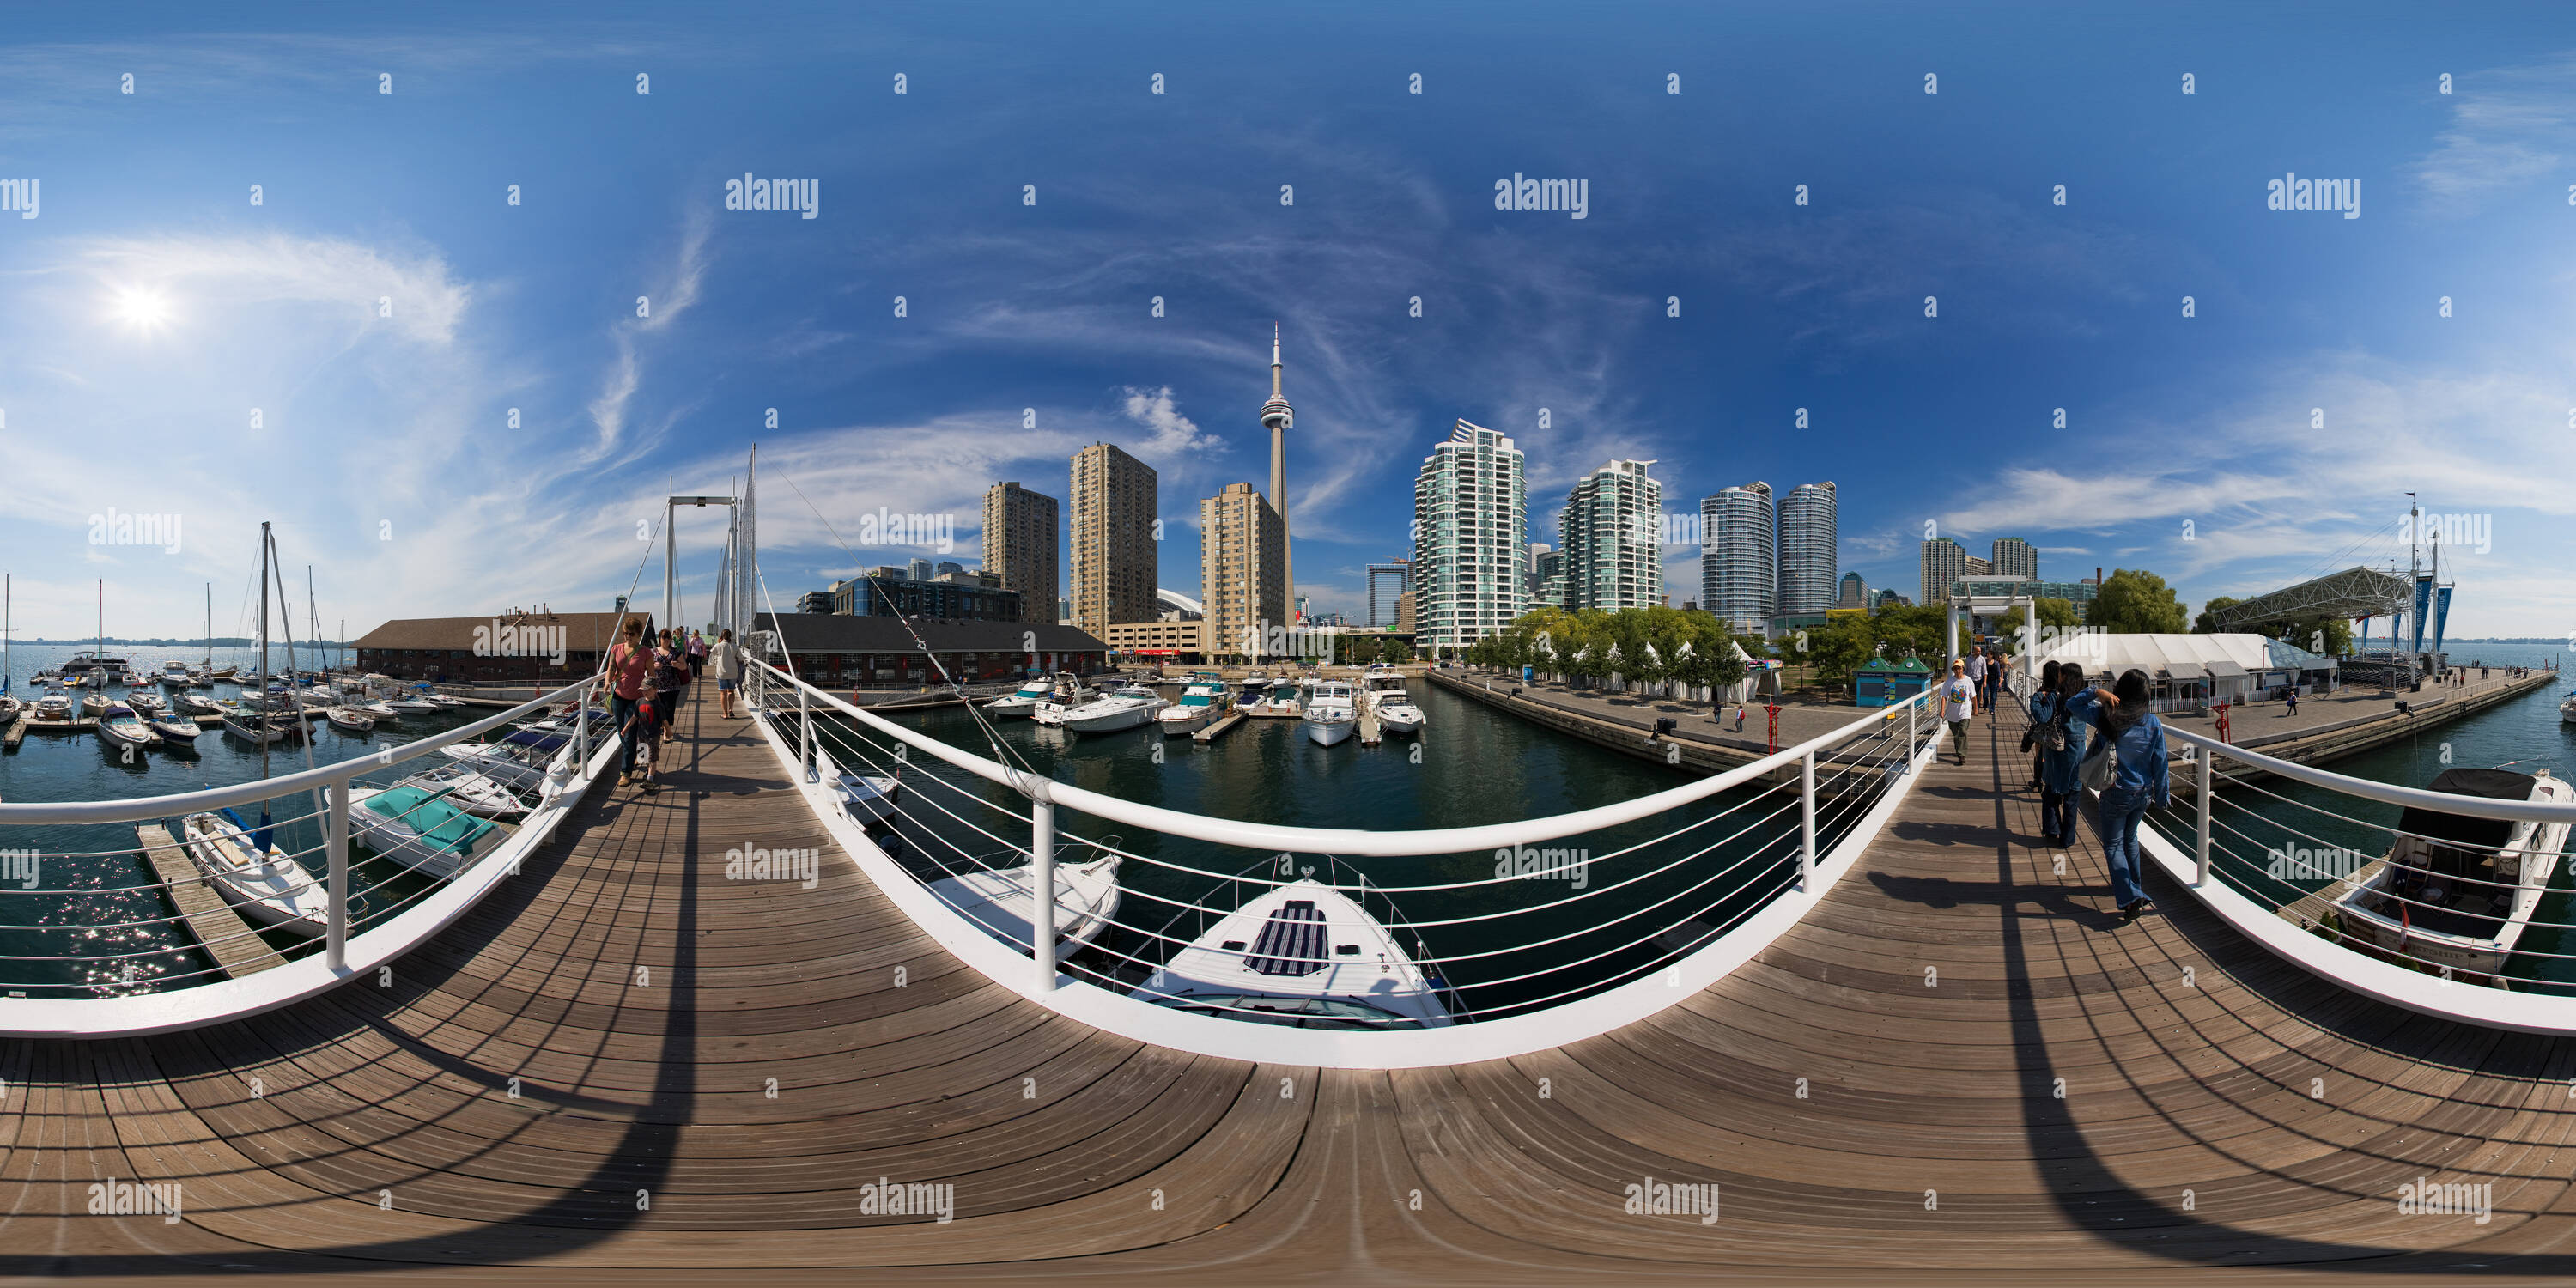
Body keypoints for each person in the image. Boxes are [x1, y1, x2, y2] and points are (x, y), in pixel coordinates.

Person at [2066, 668, 2171, 923]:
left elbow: (2071, 704)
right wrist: (2163, 796)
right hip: (2143, 793)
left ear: (2120, 691)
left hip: (2116, 792)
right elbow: (2161, 763)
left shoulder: (2106, 715)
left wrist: (2097, 692)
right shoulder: (2153, 722)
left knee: (2113, 845)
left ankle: (2131, 896)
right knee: (2130, 839)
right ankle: (2133, 887)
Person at [2033, 666, 2089, 848]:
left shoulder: (2055, 696)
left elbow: (2042, 717)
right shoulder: (2083, 698)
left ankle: (2052, 829)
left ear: (2064, 677)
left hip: (2058, 750)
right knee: (2072, 797)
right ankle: (2067, 839)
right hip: (2077, 751)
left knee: (2050, 793)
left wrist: (2036, 698)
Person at [605, 617, 652, 785]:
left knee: (630, 733)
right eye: (625, 633)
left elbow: (651, 676)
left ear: (639, 635)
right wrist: (606, 682)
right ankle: (634, 757)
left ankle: (626, 772)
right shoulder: (616, 649)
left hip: (636, 699)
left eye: (631, 634)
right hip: (618, 697)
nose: (627, 637)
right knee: (621, 731)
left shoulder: (645, 652)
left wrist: (652, 695)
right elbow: (611, 668)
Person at [2026, 659, 2062, 790]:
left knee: (2039, 754)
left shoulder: (2045, 691)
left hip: (2044, 729)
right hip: (2058, 730)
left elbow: (2041, 715)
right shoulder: (2062, 691)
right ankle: (2051, 784)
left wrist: (2037, 696)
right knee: (2053, 757)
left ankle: (2038, 780)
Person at [1939, 658, 1975, 764]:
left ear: (1963, 668)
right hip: (1952, 713)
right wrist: (1942, 710)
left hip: (1965, 711)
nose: (1957, 670)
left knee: (1962, 731)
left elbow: (1973, 696)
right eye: (1955, 668)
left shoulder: (1968, 680)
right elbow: (1944, 697)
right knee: (1956, 734)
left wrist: (1976, 708)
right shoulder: (1949, 682)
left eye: (1959, 668)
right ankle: (1959, 750)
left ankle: (1962, 755)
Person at [711, 628, 741, 718]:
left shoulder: (718, 645)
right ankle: (731, 710)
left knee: (723, 693)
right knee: (731, 691)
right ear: (730, 636)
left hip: (721, 673)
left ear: (722, 636)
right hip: (732, 673)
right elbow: (741, 658)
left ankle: (725, 714)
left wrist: (719, 643)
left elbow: (712, 653)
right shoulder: (735, 646)